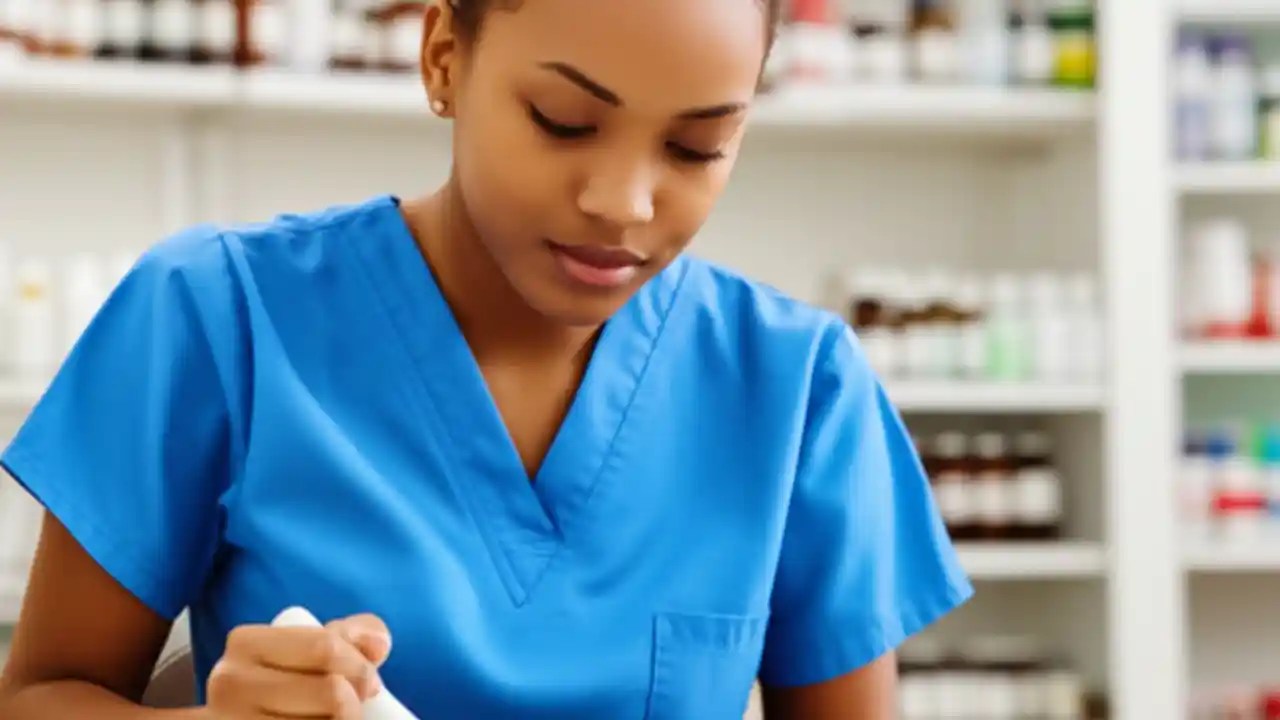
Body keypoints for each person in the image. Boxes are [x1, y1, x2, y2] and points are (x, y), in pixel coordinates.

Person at [0, 0, 972, 717]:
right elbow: (45, 694)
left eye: (694, 148)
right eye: (562, 121)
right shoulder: (216, 316)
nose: (622, 202)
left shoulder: (795, 386)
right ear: (442, 59)